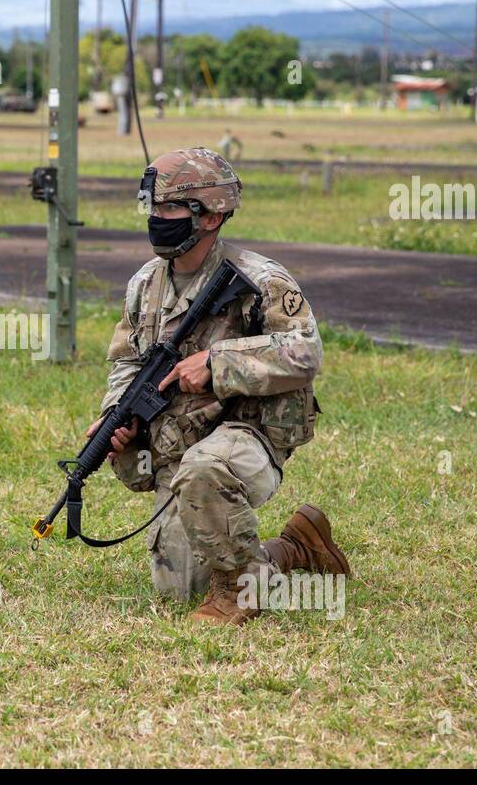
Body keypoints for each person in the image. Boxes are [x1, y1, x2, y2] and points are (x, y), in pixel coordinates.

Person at [89, 147, 350, 625]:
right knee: (177, 589)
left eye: (169, 207)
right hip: (181, 437)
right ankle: (295, 547)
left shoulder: (262, 280)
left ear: (211, 216)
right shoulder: (145, 284)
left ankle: (236, 591)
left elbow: (306, 354)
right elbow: (126, 363)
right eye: (154, 207)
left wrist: (217, 362)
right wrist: (116, 417)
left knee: (204, 469)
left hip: (250, 434)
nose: (156, 218)